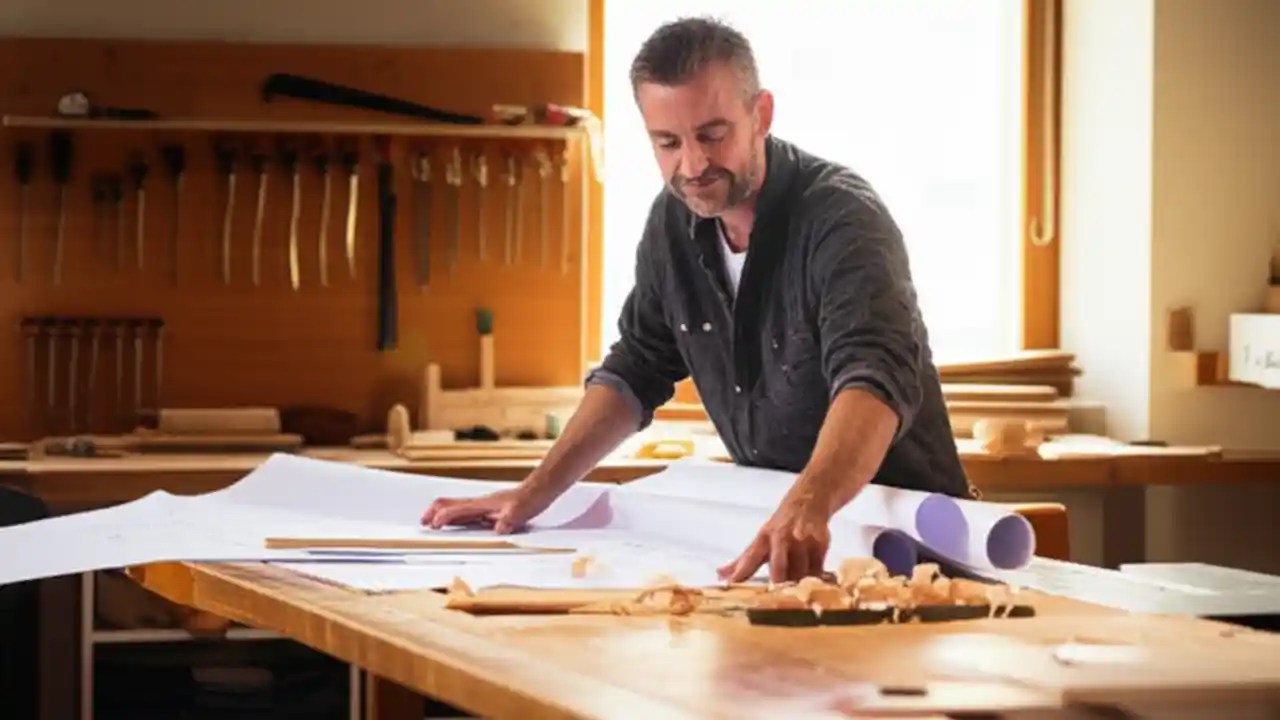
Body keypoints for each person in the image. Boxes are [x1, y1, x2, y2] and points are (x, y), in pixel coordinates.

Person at [422, 16, 971, 583]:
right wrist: (534, 493)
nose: (692, 166)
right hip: (785, 545)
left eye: (712, 135)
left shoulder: (842, 220)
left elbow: (872, 380)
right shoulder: (672, 221)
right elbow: (637, 367)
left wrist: (811, 503)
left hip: (909, 552)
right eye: (668, 143)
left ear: (760, 115)